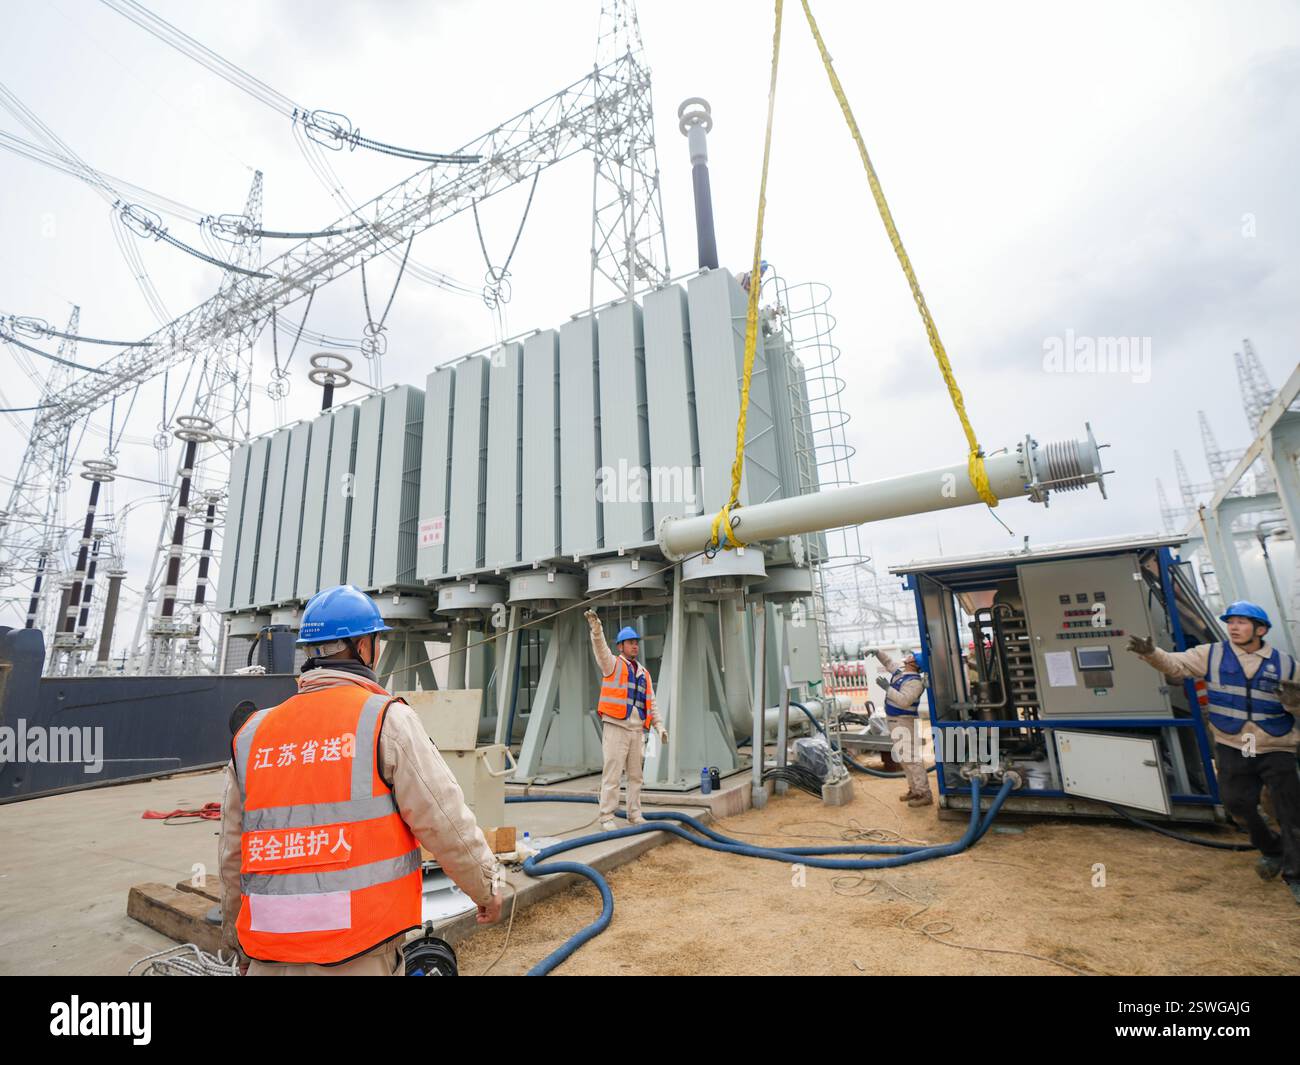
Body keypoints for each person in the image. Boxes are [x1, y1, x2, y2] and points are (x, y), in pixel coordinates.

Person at [219, 584, 503, 975]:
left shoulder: (252, 734)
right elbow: (443, 819)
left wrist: (237, 936)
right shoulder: (385, 720)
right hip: (358, 948)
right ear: (364, 647)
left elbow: (232, 853)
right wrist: (485, 888)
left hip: (269, 950)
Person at [1127, 600, 1300, 904]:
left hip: (1275, 745)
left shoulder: (1286, 663)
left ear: (1260, 630)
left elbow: (1296, 703)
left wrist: (1293, 701)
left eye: (1242, 622)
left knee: (1290, 813)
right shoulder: (1212, 654)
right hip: (1234, 745)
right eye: (1231, 622)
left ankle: (1295, 875)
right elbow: (1176, 664)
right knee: (1237, 805)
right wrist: (1150, 653)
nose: (1234, 627)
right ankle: (1273, 849)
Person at [585, 610, 668, 832]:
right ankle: (606, 817)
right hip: (616, 727)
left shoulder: (644, 673)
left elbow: (651, 703)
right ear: (620, 646)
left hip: (636, 731)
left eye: (636, 643)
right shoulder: (612, 664)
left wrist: (659, 726)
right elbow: (600, 650)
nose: (634, 646)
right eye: (630, 643)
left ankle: (635, 813)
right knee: (612, 774)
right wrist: (597, 630)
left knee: (635, 776)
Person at [868, 648, 932, 807]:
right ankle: (914, 790)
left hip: (904, 722)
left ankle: (924, 793)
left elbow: (904, 701)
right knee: (904, 759)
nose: (909, 656)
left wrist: (887, 689)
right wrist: (878, 653)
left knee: (911, 759)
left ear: (915, 664)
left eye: (913, 656)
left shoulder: (915, 682)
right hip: (895, 721)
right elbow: (889, 663)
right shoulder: (902, 674)